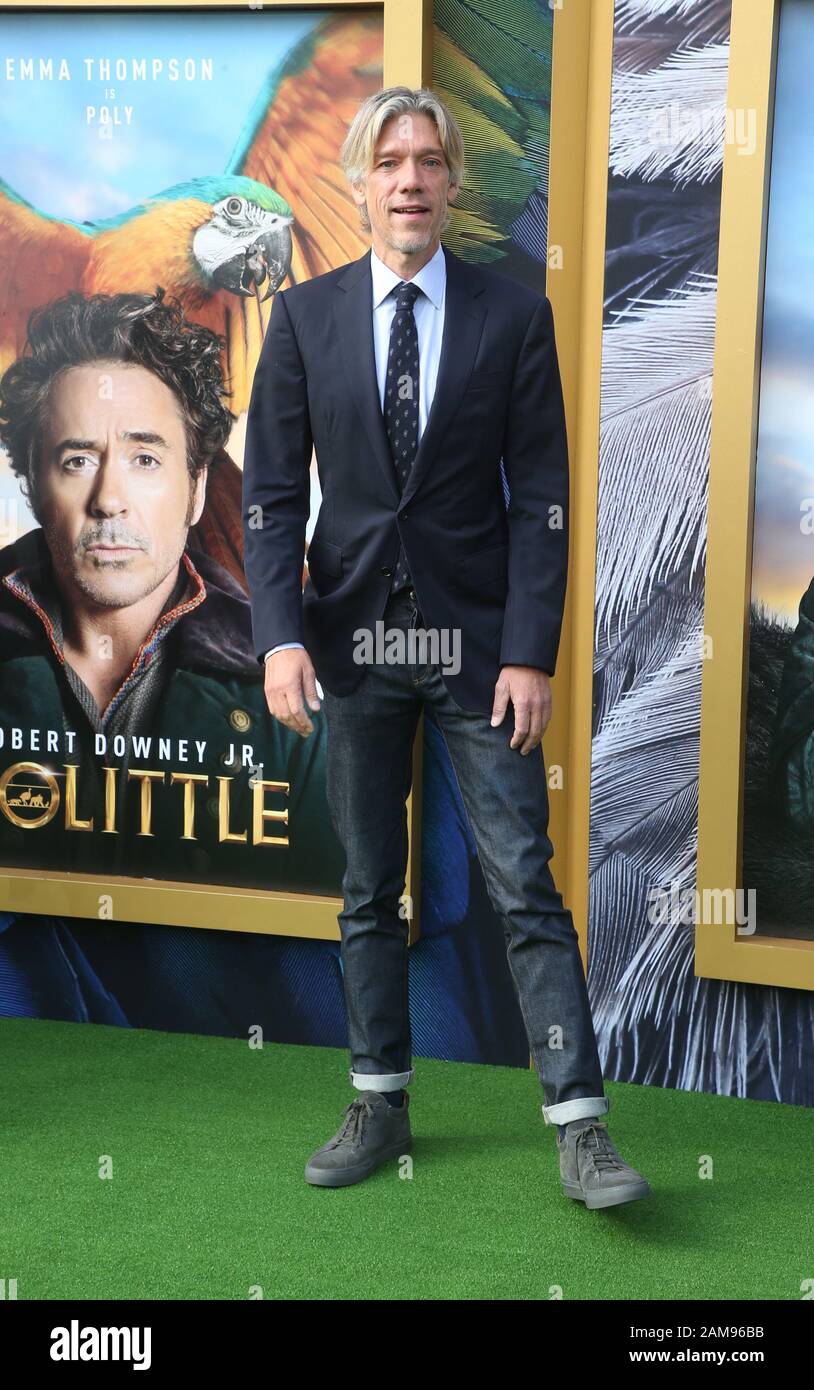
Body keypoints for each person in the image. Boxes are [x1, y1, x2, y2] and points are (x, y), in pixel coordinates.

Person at [242, 87, 651, 1208]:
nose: (411, 179)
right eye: (390, 161)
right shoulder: (304, 318)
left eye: (429, 159)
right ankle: (378, 1100)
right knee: (370, 886)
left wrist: (531, 652)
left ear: (454, 181)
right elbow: (271, 499)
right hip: (354, 647)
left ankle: (580, 1125)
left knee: (525, 883)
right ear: (358, 182)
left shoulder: (513, 316)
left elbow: (544, 501)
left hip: (478, 653)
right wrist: (279, 636)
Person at [0, 289, 343, 894]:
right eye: (78, 459)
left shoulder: (292, 687)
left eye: (146, 459)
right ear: (32, 483)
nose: (109, 498)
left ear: (196, 491)